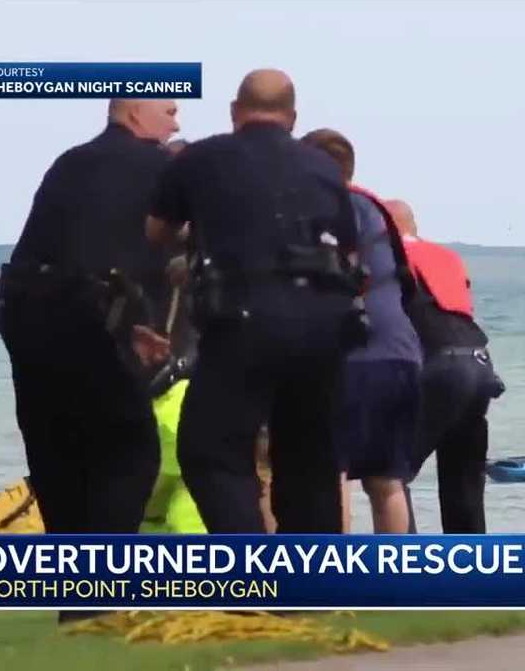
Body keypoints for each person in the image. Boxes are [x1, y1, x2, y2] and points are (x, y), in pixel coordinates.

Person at [146, 69, 364, 534]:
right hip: (323, 327)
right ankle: (310, 582)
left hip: (244, 323)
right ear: (292, 117)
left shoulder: (202, 158)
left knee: (211, 450)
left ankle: (249, 570)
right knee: (309, 455)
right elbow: (348, 252)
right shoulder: (322, 168)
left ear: (234, 111)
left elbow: (156, 232)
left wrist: (195, 244)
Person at [0, 99, 179, 540]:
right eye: (169, 112)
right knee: (132, 452)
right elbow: (132, 257)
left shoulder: (69, 163)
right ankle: (104, 584)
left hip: (26, 323)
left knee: (57, 457)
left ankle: (75, 592)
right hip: (90, 324)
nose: (177, 122)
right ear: (134, 115)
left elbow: (72, 245)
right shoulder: (156, 167)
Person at [300, 128, 422, 534]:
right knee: (387, 480)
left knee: (330, 471)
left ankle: (338, 577)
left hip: (348, 357)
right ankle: (393, 584)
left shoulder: (318, 208)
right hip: (400, 352)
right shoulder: (377, 211)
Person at [387, 200, 505, 534]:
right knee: (463, 479)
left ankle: (404, 567)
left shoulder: (389, 257)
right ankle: (471, 569)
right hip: (480, 362)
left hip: (440, 364)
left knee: (391, 474)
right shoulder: (448, 257)